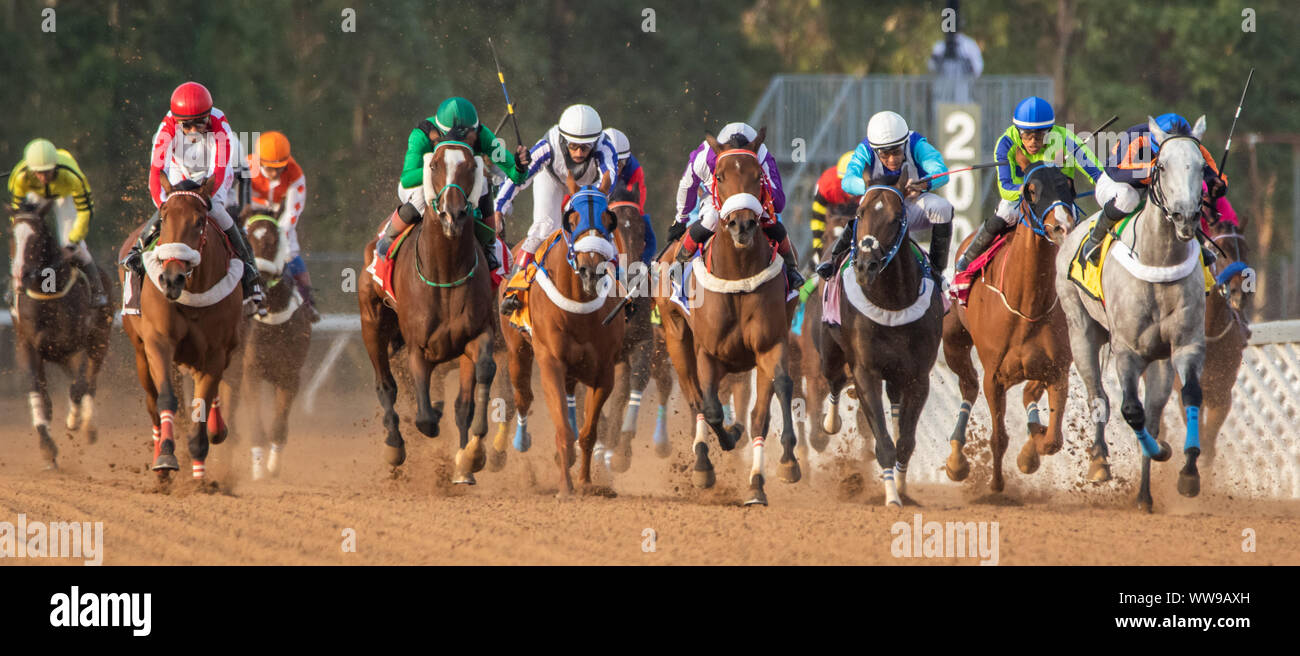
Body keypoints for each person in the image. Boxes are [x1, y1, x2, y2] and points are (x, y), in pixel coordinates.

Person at [123, 81, 265, 313]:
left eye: (199, 123)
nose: (192, 130)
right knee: (170, 215)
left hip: (211, 179)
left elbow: (220, 170)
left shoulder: (221, 125)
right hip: (179, 176)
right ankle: (135, 256)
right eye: (186, 125)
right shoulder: (166, 129)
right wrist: (164, 207)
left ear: (208, 115)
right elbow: (156, 173)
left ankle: (249, 269)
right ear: (177, 121)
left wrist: (205, 200)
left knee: (220, 213)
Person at [374, 96, 530, 270]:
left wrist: (521, 167)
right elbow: (407, 179)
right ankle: (389, 237)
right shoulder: (421, 135)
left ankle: (490, 246)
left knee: (484, 185)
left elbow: (516, 176)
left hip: (459, 187)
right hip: (422, 185)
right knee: (420, 196)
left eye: (469, 139)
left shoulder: (482, 135)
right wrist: (437, 169)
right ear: (442, 133)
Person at [954, 96, 1102, 272]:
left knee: (1074, 221)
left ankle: (1088, 270)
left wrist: (1109, 186)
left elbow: (1097, 173)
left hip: (1057, 202)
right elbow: (1005, 189)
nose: (1033, 141)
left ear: (1050, 130)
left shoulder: (1066, 140)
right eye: (1027, 135)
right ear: (1017, 131)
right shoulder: (1005, 144)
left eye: (1040, 136)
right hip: (1022, 200)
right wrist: (1030, 192)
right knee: (1005, 212)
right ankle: (966, 262)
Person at [497, 104, 617, 314]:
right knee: (544, 227)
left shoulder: (605, 147)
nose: (579, 152)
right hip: (551, 180)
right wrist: (499, 207)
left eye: (585, 147)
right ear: (563, 139)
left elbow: (610, 178)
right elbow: (519, 178)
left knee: (602, 232)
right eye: (573, 146)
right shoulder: (548, 145)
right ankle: (514, 288)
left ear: (595, 142)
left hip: (591, 191)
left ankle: (623, 293)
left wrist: (581, 200)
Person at [816, 111, 953, 284]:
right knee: (864, 213)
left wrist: (924, 184)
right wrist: (874, 189)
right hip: (880, 210)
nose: (892, 159)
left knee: (943, 208)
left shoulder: (917, 143)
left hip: (911, 204)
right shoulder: (865, 149)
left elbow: (941, 172)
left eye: (896, 152)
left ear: (904, 143)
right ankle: (833, 260)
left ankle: (936, 271)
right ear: (875, 150)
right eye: (884, 154)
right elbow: (848, 181)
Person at [669, 121, 803, 290]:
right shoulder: (703, 156)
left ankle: (791, 270)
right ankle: (679, 263)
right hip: (719, 195)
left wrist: (763, 198)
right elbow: (687, 185)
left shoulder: (761, 154)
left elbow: (779, 202)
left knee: (770, 220)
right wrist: (680, 219)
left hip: (752, 196)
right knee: (710, 219)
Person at [1082, 113, 1225, 267]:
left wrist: (1217, 185)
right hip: (1116, 184)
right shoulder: (1135, 136)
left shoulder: (1187, 142)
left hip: (1152, 187)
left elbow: (1209, 172)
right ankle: (1095, 239)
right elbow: (1116, 171)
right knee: (1128, 198)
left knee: (1186, 193)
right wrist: (1151, 171)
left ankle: (1199, 244)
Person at [7, 138, 109, 307]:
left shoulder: (72, 177)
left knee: (72, 243)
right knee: (23, 239)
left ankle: (97, 290)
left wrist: (73, 243)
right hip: (36, 194)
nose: (43, 176)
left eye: (47, 171)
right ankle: (13, 288)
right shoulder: (21, 177)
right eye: (38, 173)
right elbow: (17, 215)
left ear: (55, 166)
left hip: (64, 194)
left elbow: (85, 211)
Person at [246, 131, 319, 322]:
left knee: (291, 252)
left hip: (278, 218)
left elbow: (293, 212)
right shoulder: (245, 167)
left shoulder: (295, 173)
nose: (275, 173)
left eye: (280, 168)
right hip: (251, 216)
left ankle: (308, 301)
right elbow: (238, 200)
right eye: (270, 168)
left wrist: (279, 235)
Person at [603, 127, 656, 264]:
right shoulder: (594, 166)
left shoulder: (634, 168)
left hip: (622, 198)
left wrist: (638, 216)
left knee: (647, 231)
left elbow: (638, 199)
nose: (618, 168)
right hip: (604, 196)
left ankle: (645, 264)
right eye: (614, 164)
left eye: (621, 163)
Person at [809, 151, 861, 265]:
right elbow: (817, 218)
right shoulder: (828, 184)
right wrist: (818, 247)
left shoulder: (870, 186)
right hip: (834, 223)